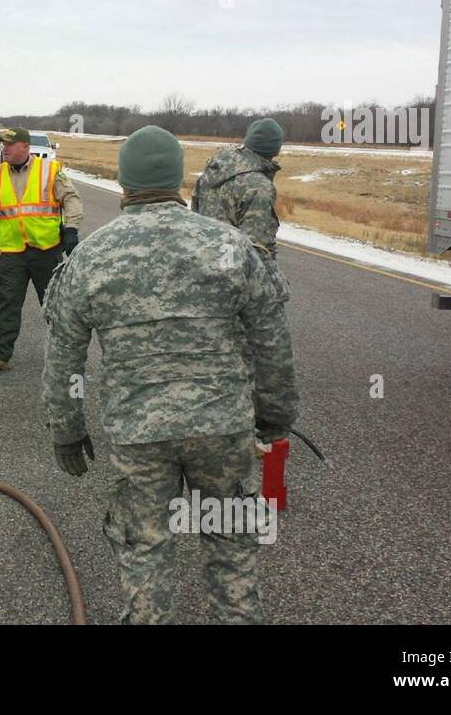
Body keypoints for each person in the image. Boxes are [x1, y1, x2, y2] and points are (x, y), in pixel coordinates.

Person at [41, 125, 299, 624]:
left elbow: (64, 358)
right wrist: (275, 416)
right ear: (180, 179)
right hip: (222, 428)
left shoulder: (91, 256)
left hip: (139, 433)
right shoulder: (230, 247)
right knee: (232, 550)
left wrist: (66, 431)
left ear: (123, 182)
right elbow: (271, 341)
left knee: (145, 553)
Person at [0, 127, 82, 373]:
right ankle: (0, 355)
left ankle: (67, 356)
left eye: (10, 144)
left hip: (46, 251)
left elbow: (71, 199)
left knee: (55, 305)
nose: (5, 148)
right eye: (3, 144)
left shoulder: (49, 171)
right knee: (8, 304)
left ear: (25, 146)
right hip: (13, 253)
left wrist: (72, 228)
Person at [190, 118, 289, 302]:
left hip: (202, 270)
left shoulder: (213, 170)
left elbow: (194, 213)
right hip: (234, 280)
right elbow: (258, 248)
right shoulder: (258, 185)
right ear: (275, 149)